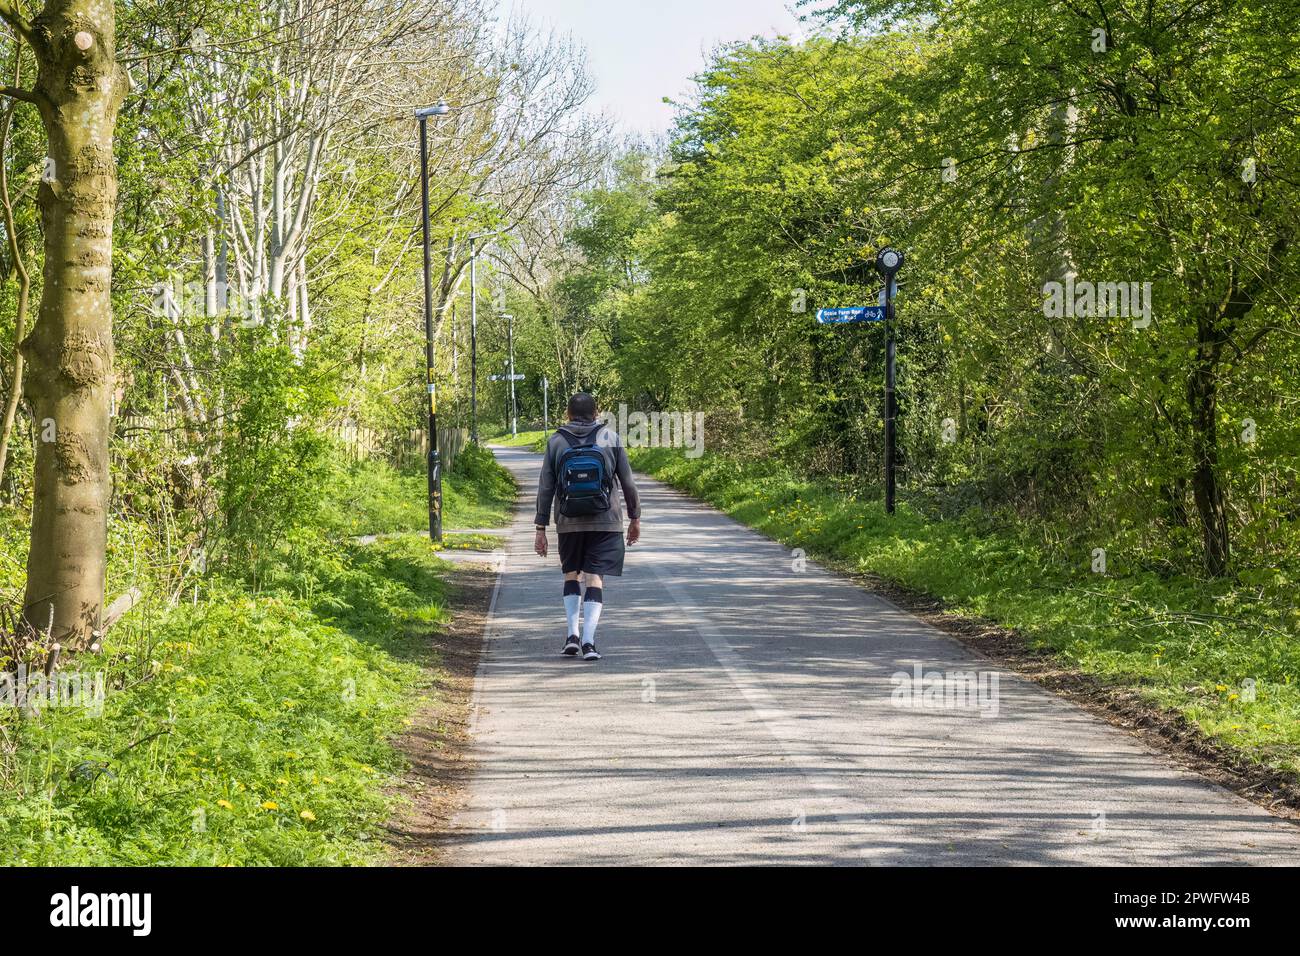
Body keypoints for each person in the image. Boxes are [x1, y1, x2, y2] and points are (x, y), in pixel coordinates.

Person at [534, 393, 641, 661]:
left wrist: (540, 528)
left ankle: (572, 635)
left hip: (569, 522)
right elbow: (628, 483)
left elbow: (546, 488)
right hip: (606, 520)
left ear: (568, 414)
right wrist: (635, 518)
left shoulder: (556, 441)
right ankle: (589, 642)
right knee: (595, 578)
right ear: (597, 413)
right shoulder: (610, 438)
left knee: (572, 574)